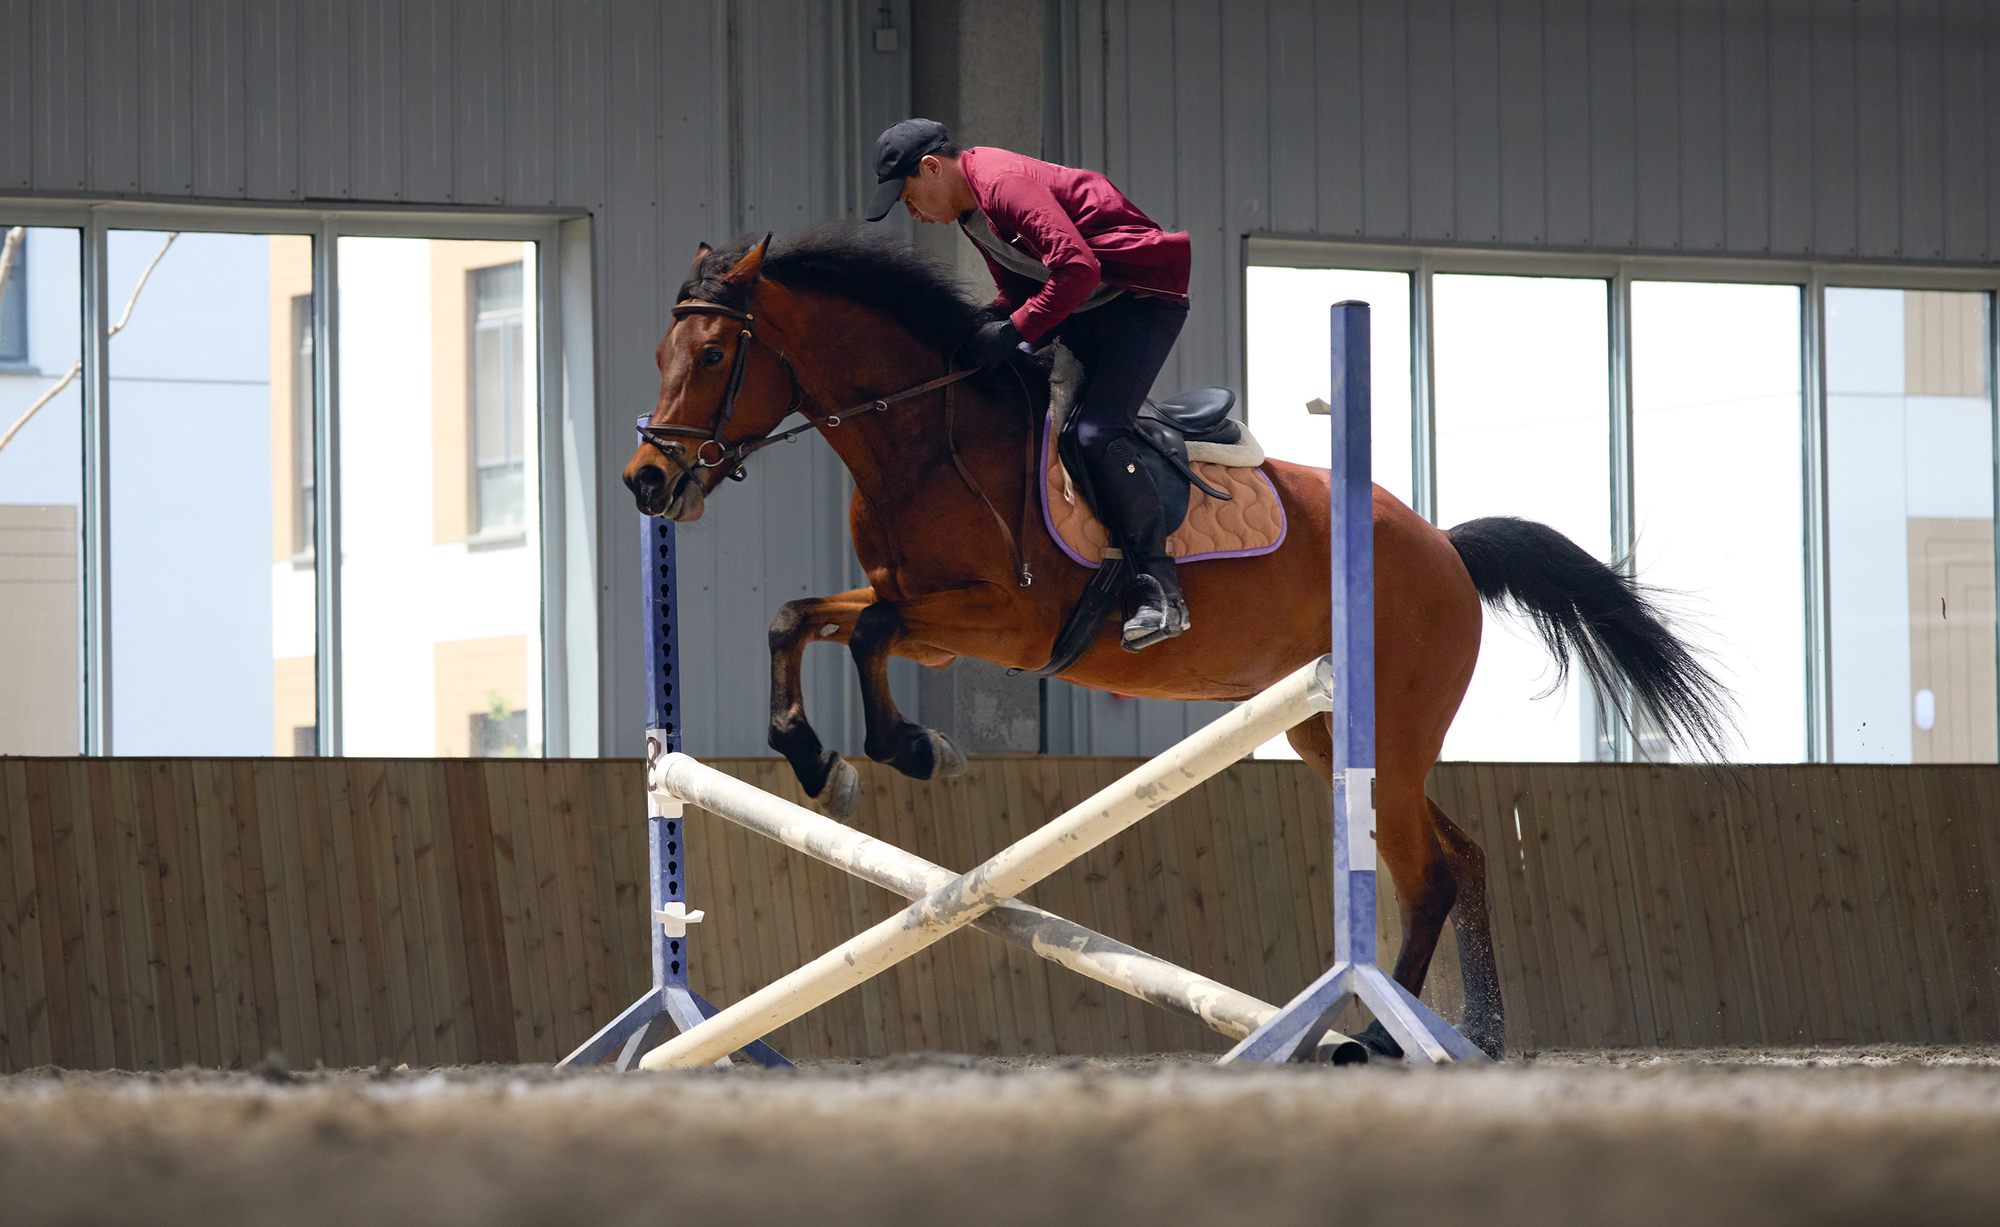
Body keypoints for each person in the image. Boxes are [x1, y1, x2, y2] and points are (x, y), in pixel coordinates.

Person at [865, 118, 1194, 651]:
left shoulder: (1002, 185)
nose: (914, 214)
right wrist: (975, 328)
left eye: (907, 198)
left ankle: (1161, 591)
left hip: (1140, 302)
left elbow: (1078, 269)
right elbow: (1018, 291)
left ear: (931, 168)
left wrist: (1014, 331)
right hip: (1088, 306)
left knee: (1096, 432)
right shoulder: (972, 213)